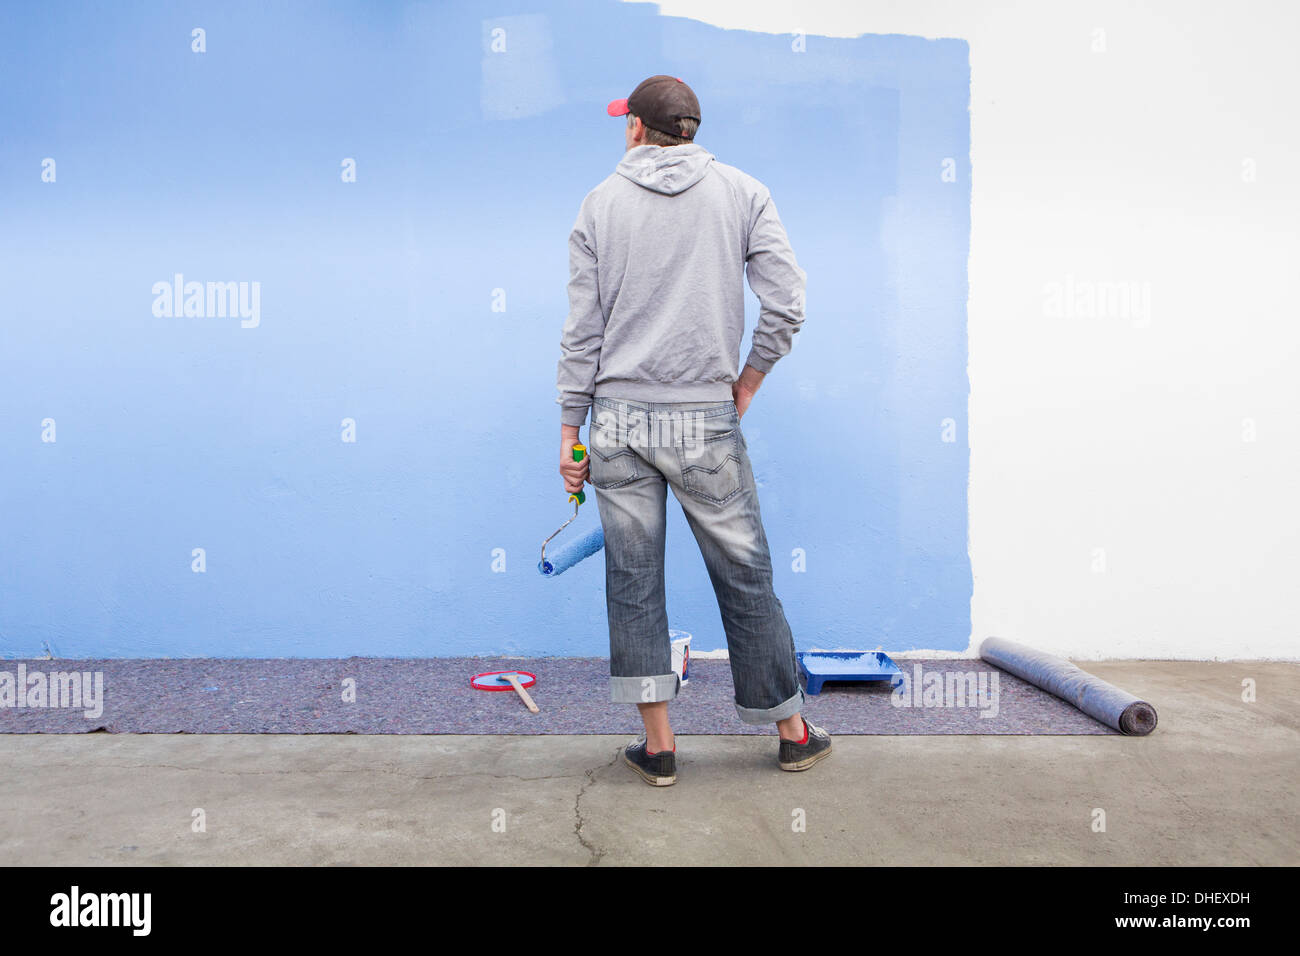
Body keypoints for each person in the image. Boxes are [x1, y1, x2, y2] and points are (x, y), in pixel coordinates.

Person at [554, 75, 830, 786]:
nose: (624, 131)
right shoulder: (743, 193)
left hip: (616, 419)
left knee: (633, 580)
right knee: (745, 574)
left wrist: (569, 429)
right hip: (706, 417)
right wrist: (748, 382)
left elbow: (582, 334)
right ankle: (793, 732)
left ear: (639, 130)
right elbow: (788, 302)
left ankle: (661, 747)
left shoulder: (598, 205)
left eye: (626, 122)